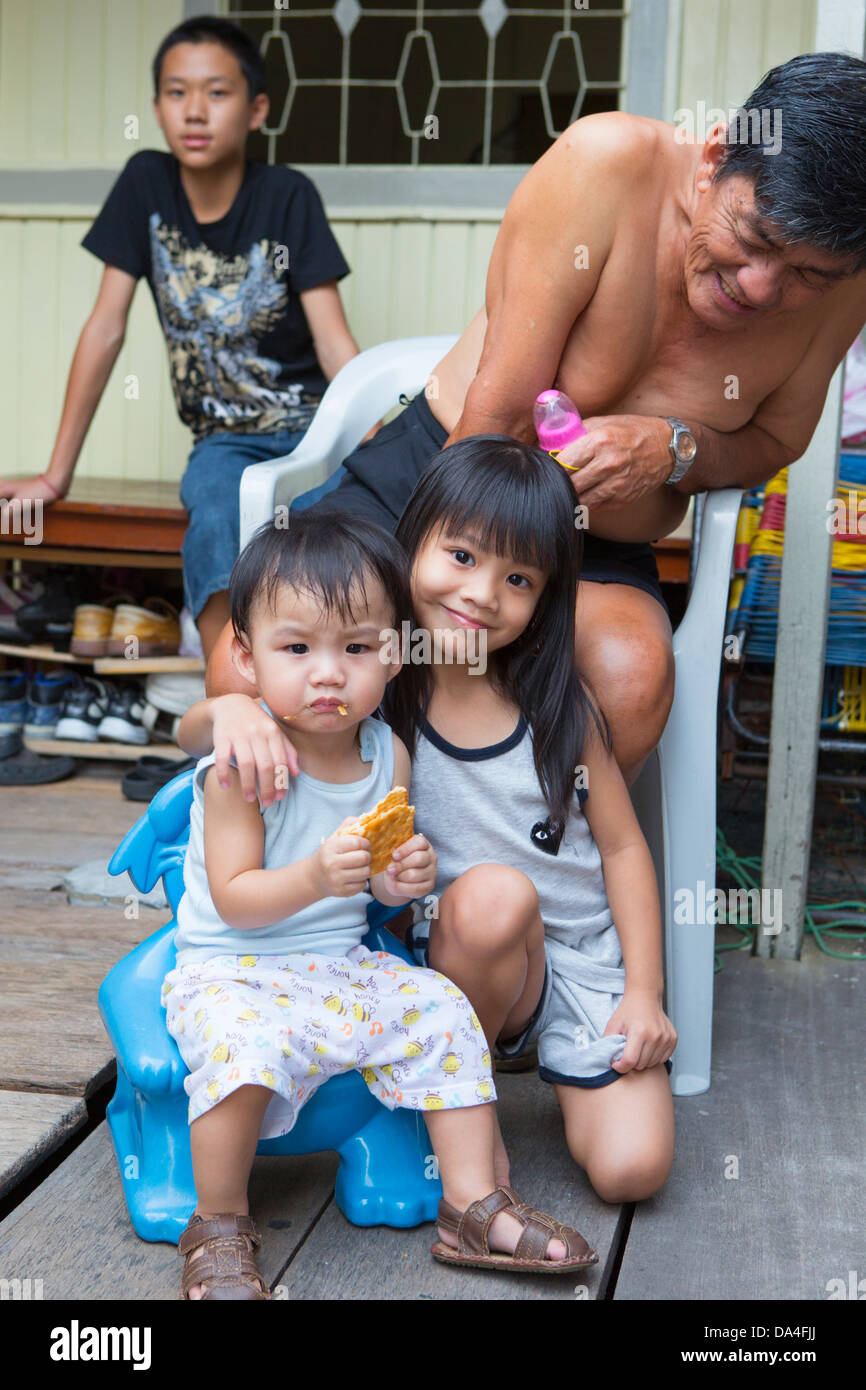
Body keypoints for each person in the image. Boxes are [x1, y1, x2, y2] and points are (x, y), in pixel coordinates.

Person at [203, 51, 866, 782]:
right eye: (757, 239)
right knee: (262, 658)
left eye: (807, 274)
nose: (764, 287)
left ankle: (515, 877)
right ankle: (313, 873)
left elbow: (774, 441)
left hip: (594, 547)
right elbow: (501, 412)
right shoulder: (604, 165)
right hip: (447, 469)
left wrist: (674, 449)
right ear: (714, 157)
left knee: (631, 683)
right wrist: (427, 599)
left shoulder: (845, 281)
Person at [178, 439, 677, 1209]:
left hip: (578, 966)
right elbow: (214, 715)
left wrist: (643, 991)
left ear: (546, 597)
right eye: (462, 555)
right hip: (467, 954)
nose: (481, 592)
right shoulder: (375, 696)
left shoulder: (559, 712)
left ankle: (509, 1081)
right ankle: (466, 1131)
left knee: (632, 1171)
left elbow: (622, 846)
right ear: (415, 543)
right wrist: (234, 708)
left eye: (518, 578)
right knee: (493, 899)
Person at [166, 509, 598, 1300]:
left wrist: (399, 881)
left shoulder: (385, 753)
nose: (329, 673)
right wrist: (315, 879)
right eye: (297, 649)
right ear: (246, 658)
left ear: (394, 654)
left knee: (440, 1010)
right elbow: (232, 900)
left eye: (356, 648)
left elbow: (376, 887)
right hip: (234, 969)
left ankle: (471, 1202)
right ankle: (219, 1222)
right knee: (244, 1047)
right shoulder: (243, 764)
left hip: (340, 966)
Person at [0, 15, 362, 660]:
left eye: (217, 93)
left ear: (256, 110)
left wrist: (372, 437)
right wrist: (57, 474)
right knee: (217, 509)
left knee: (332, 534)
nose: (195, 111)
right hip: (224, 440)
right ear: (157, 107)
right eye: (176, 92)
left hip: (313, 428)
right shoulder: (146, 184)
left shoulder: (287, 195)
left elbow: (335, 344)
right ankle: (228, 679)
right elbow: (105, 327)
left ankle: (315, 687)